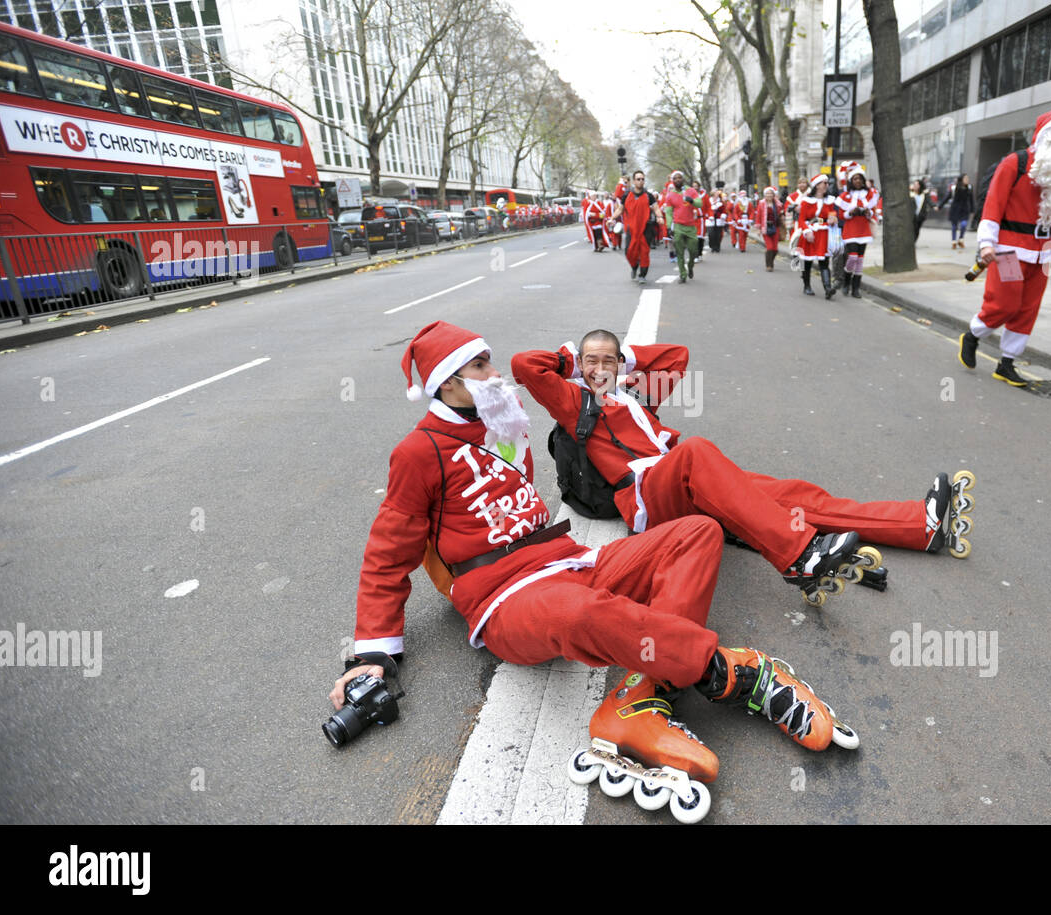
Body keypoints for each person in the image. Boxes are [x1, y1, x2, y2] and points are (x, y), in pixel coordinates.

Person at [331, 321, 857, 792]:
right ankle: (735, 674)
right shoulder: (418, 451)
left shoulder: (498, 425)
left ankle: (641, 697)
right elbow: (386, 554)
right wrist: (371, 657)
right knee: (580, 612)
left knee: (696, 532)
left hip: (569, 560)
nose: (495, 373)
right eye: (480, 365)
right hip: (504, 597)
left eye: (490, 361)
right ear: (448, 383)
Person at [512, 331, 974, 598]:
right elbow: (524, 365)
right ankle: (799, 557)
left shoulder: (635, 393)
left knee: (792, 495)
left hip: (685, 480)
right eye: (590, 362)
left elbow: (677, 357)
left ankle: (918, 524)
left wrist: (625, 357)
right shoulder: (576, 405)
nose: (598, 368)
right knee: (695, 450)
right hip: (648, 497)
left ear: (620, 364)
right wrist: (572, 361)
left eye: (606, 360)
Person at [958, 105, 1051, 386]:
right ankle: (973, 334)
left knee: (1028, 308)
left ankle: (1006, 363)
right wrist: (986, 243)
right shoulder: (1015, 162)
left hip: (1043, 252)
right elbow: (993, 203)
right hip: (1009, 249)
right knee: (1005, 303)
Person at [835, 161, 877, 298]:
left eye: (860, 178)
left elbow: (873, 212)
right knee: (852, 257)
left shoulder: (869, 195)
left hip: (864, 229)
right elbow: (841, 215)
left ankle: (856, 288)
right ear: (851, 181)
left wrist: (867, 212)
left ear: (863, 180)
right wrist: (851, 212)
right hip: (850, 229)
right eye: (855, 179)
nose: (858, 181)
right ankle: (846, 282)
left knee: (860, 259)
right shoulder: (845, 196)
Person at [793, 173, 838, 298]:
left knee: (824, 261)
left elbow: (832, 213)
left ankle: (828, 288)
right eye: (824, 183)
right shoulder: (807, 200)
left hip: (824, 233)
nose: (827, 185)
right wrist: (807, 231)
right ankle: (807, 286)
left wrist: (832, 218)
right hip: (810, 232)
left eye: (827, 183)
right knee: (807, 262)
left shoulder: (830, 200)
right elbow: (801, 219)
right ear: (817, 186)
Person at [615, 170, 659, 285]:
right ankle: (634, 266)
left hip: (646, 229)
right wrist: (611, 218)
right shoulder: (626, 195)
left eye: (642, 179)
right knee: (629, 252)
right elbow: (620, 209)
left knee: (644, 253)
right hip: (631, 229)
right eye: (638, 179)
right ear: (634, 181)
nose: (640, 181)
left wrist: (659, 217)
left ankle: (642, 275)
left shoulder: (649, 196)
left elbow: (656, 208)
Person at [659, 170, 701, 283]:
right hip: (678, 226)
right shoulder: (670, 195)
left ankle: (690, 266)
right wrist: (669, 227)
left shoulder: (691, 191)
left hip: (691, 226)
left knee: (693, 251)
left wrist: (691, 201)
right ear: (672, 181)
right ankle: (683, 274)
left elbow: (699, 203)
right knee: (680, 252)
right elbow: (668, 212)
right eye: (675, 178)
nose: (678, 180)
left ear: (683, 179)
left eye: (679, 178)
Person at [755, 186, 784, 272]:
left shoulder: (778, 204)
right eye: (767, 193)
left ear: (773, 195)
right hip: (765, 227)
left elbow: (782, 214)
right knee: (770, 247)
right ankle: (769, 265)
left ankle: (771, 261)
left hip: (775, 227)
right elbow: (758, 216)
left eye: (771, 193)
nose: (769, 195)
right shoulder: (761, 203)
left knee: (775, 249)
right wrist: (758, 228)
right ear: (765, 195)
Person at [942, 173, 973, 250]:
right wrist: (939, 206)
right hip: (955, 209)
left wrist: (973, 209)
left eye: (967, 178)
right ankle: (954, 242)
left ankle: (961, 239)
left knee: (963, 224)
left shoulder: (969, 188)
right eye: (965, 178)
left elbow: (971, 200)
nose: (967, 180)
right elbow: (947, 197)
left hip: (964, 209)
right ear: (961, 180)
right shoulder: (954, 188)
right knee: (954, 226)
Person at [705, 186, 727, 254]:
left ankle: (717, 247)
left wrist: (723, 215)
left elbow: (724, 210)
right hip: (710, 219)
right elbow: (705, 209)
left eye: (717, 193)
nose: (717, 194)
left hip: (718, 219)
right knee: (711, 234)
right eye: (716, 193)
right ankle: (712, 246)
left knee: (718, 234)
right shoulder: (708, 201)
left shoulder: (721, 202)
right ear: (713, 194)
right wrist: (707, 215)